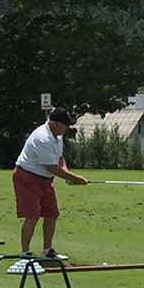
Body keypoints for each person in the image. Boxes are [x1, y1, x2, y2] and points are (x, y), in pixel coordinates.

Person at [13, 107, 88, 259]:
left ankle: (47, 251)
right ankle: (25, 253)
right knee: (32, 215)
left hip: (45, 179)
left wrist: (67, 175)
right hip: (27, 177)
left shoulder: (58, 136)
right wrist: (75, 178)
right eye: (65, 124)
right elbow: (51, 167)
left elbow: (59, 158)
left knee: (51, 213)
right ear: (55, 123)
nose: (67, 128)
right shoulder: (43, 138)